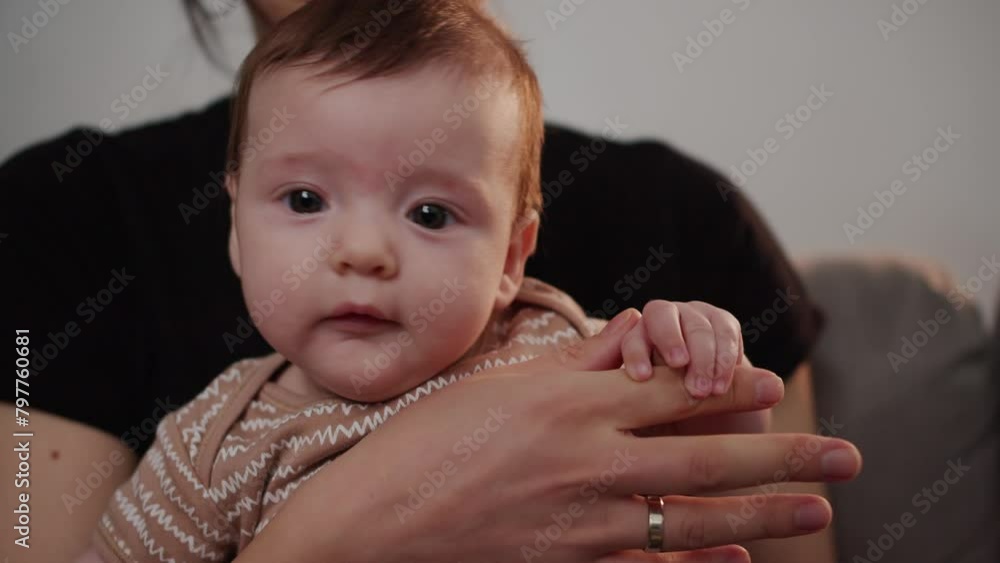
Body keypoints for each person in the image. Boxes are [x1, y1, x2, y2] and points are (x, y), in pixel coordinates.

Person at [1, 1, 844, 561]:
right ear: (232, 226)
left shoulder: (576, 345)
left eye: (432, 215)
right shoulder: (207, 450)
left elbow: (718, 467)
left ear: (515, 259)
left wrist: (701, 362)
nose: (364, 251)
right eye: (305, 199)